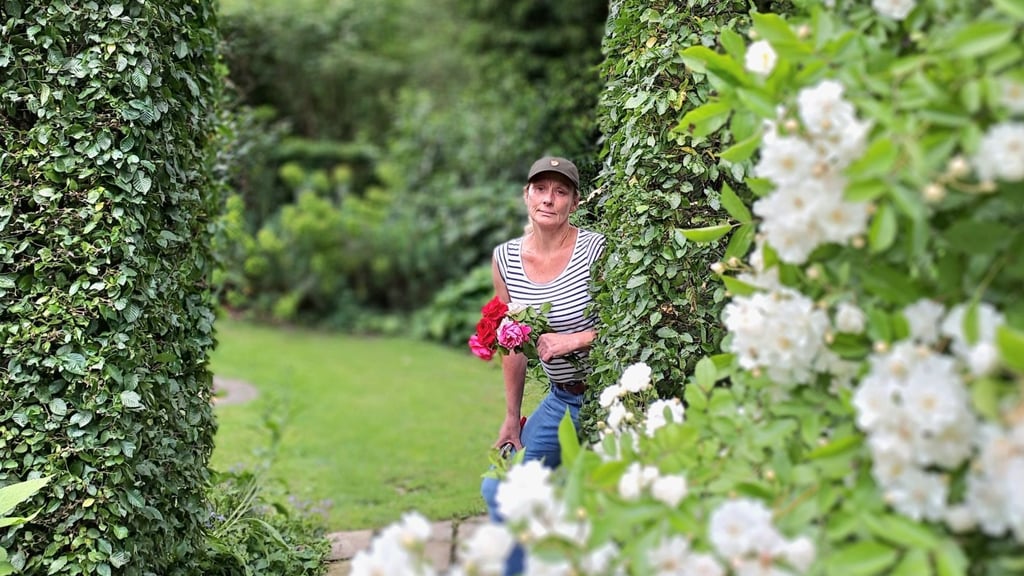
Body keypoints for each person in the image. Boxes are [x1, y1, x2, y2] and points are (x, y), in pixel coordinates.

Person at [479, 156, 606, 575]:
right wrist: (512, 417)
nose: (549, 199)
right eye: (540, 189)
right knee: (498, 487)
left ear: (575, 202)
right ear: (526, 195)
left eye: (561, 191)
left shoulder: (596, 250)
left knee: (607, 506)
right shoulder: (505, 259)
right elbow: (511, 342)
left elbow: (633, 324)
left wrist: (578, 339)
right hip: (562, 401)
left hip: (611, 401)